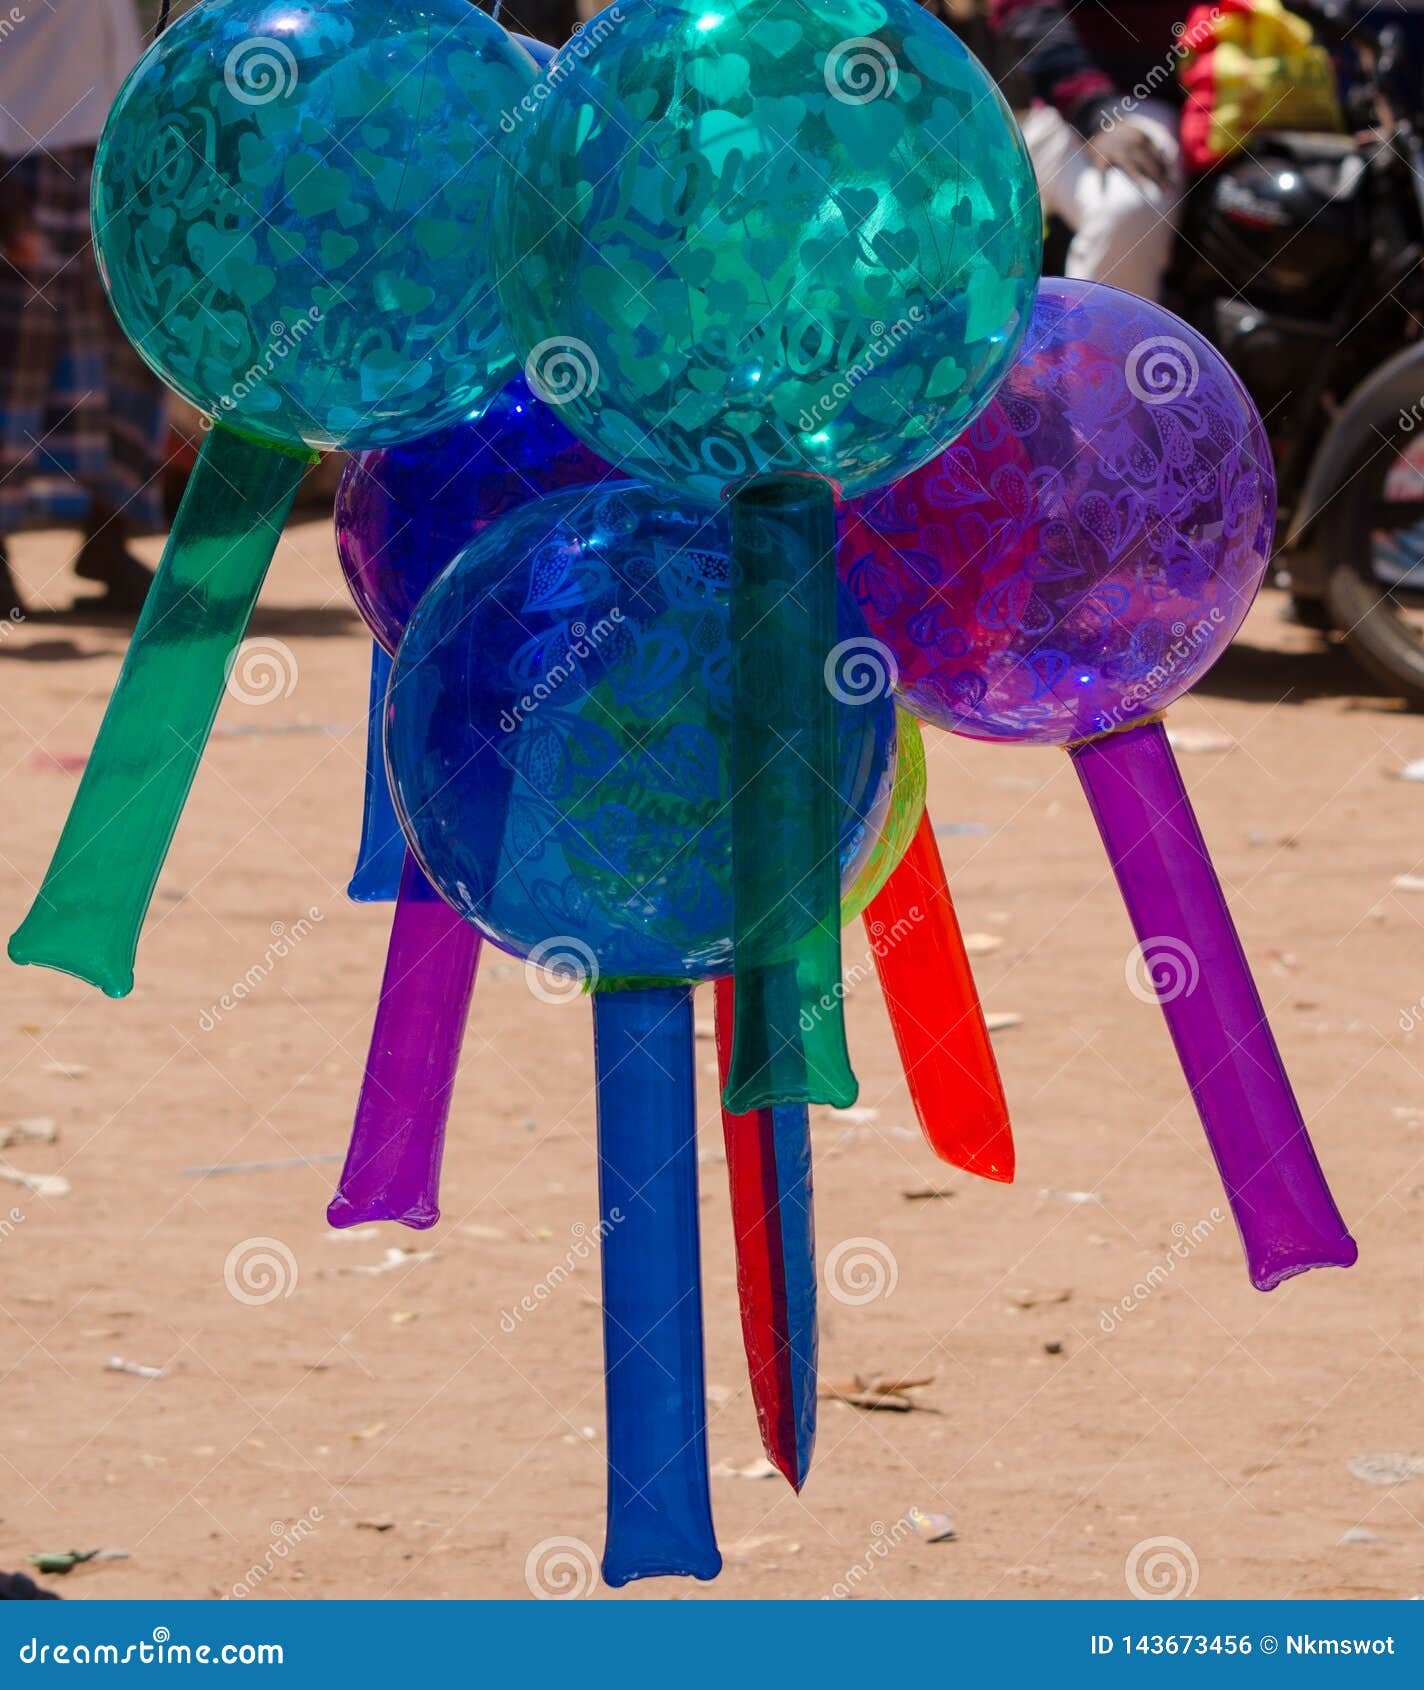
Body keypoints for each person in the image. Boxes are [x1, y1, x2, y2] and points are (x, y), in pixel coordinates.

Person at [0, 0, 166, 618]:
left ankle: (109, 534)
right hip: (19, 155)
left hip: (112, 148)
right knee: (15, 365)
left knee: (127, 351)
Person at [988, 0, 1188, 301]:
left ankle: (1093, 348)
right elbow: (1026, 10)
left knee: (1127, 211)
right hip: (1077, 109)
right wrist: (1093, 110)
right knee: (967, 216)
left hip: (1188, 108)